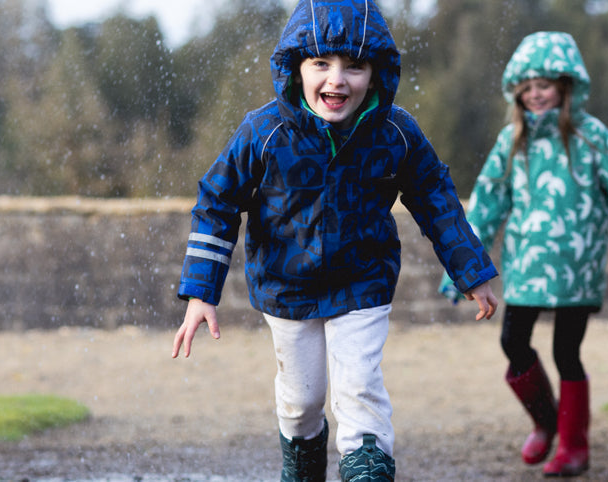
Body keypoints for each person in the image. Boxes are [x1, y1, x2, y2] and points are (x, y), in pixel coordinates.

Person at [171, 1, 499, 480]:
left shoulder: (395, 133)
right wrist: (201, 291)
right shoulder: (265, 131)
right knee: (302, 402)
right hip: (286, 285)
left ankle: (367, 467)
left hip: (362, 282)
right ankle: (303, 462)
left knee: (359, 390)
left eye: (355, 66)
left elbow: (435, 197)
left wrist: (471, 270)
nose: (337, 80)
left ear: (377, 72)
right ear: (296, 68)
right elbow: (218, 201)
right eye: (321, 63)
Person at [440, 31, 608, 477]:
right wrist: (460, 270)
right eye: (526, 87)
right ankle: (546, 421)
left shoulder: (593, 137)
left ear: (566, 85)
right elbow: (484, 207)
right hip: (526, 266)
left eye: (544, 84)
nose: (535, 94)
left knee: (566, 353)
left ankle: (574, 446)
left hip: (577, 269)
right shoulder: (512, 140)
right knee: (512, 342)